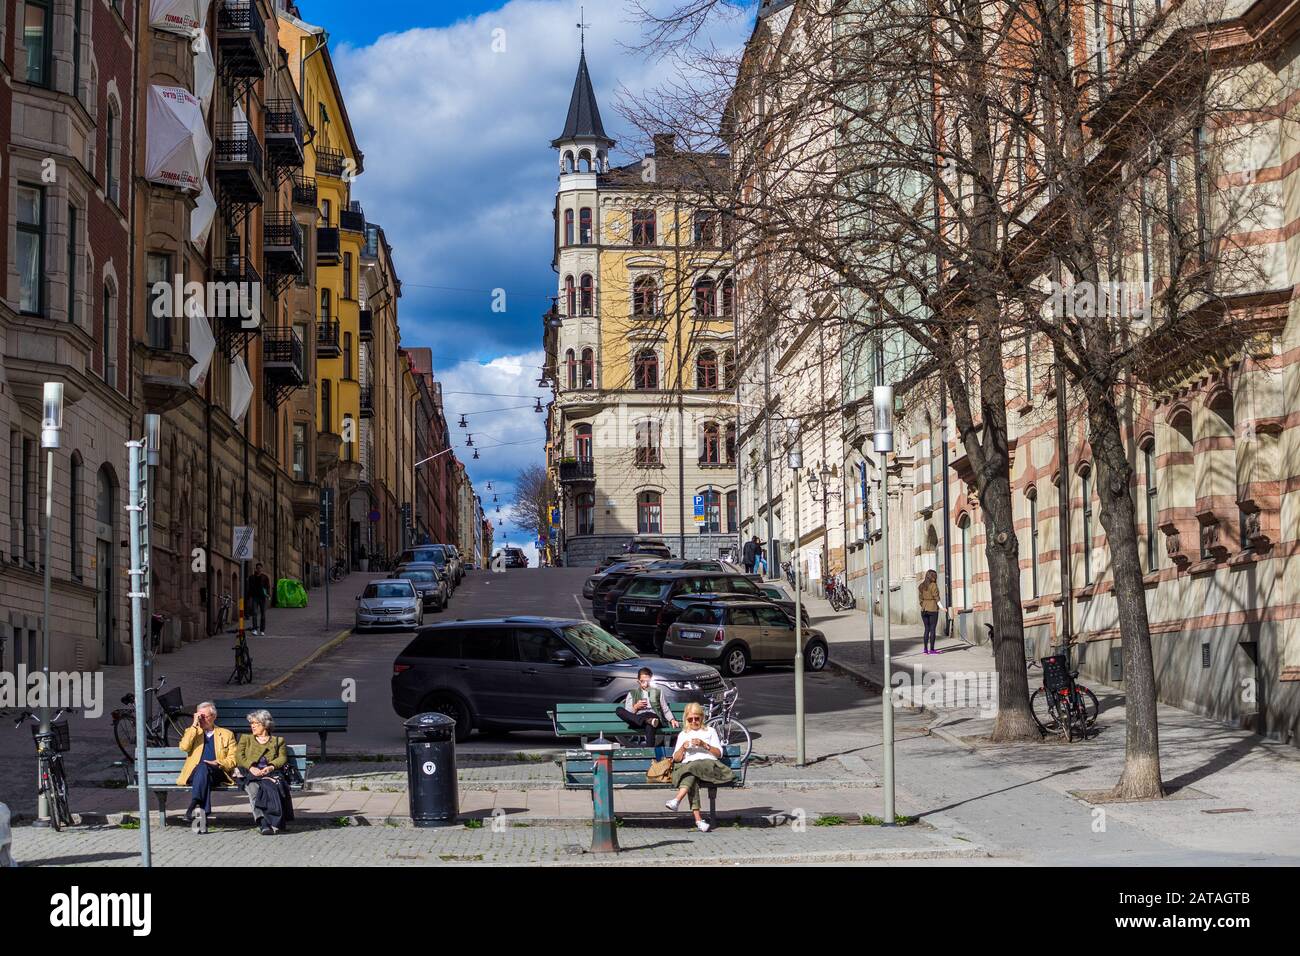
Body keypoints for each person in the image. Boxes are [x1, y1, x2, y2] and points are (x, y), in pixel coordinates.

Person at [664, 702, 735, 832]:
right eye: (690, 719)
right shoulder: (683, 734)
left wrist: (704, 745)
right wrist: (682, 748)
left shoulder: (710, 731)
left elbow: (719, 754)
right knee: (691, 777)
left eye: (697, 718)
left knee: (692, 767)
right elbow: (677, 758)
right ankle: (699, 821)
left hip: (710, 767)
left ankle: (677, 799)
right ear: (686, 719)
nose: (694, 721)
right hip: (691, 770)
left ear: (702, 717)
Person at [176, 702, 237, 827]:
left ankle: (194, 806)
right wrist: (194, 725)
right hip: (196, 774)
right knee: (203, 771)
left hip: (218, 772)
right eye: (199, 716)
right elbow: (183, 747)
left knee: (204, 770)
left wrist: (218, 762)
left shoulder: (226, 734)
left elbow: (233, 759)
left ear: (214, 716)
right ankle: (200, 813)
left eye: (205, 716)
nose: (201, 719)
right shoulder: (192, 732)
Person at [234, 709, 294, 835]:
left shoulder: (278, 741)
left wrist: (271, 767)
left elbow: (282, 757)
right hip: (250, 774)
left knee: (272, 788)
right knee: (254, 790)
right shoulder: (246, 739)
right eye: (251, 723)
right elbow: (239, 756)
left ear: (265, 724)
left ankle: (276, 820)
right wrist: (251, 768)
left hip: (270, 773)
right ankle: (263, 823)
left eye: (256, 723)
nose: (253, 726)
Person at [615, 668, 679, 746]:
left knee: (650, 722)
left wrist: (672, 720)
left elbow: (664, 708)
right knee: (619, 710)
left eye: (648, 681)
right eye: (642, 681)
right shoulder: (632, 693)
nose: (645, 683)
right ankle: (646, 721)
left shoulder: (657, 692)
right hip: (638, 720)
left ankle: (650, 752)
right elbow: (629, 714)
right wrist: (635, 707)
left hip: (653, 717)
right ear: (638, 681)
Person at [919, 569, 942, 655]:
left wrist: (924, 605)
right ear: (933, 576)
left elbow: (920, 599)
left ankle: (925, 650)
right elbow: (936, 597)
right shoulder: (933, 585)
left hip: (924, 609)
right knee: (932, 629)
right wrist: (942, 607)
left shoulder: (921, 586)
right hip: (932, 608)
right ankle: (932, 650)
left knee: (926, 629)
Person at [245, 562, 271, 636]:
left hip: (262, 597)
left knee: (263, 614)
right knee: (254, 613)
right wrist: (248, 596)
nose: (259, 569)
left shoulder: (265, 577)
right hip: (255, 597)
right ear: (256, 569)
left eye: (260, 568)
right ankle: (255, 629)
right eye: (258, 568)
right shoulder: (252, 577)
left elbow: (268, 586)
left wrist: (268, 595)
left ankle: (262, 630)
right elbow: (249, 588)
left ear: (262, 569)